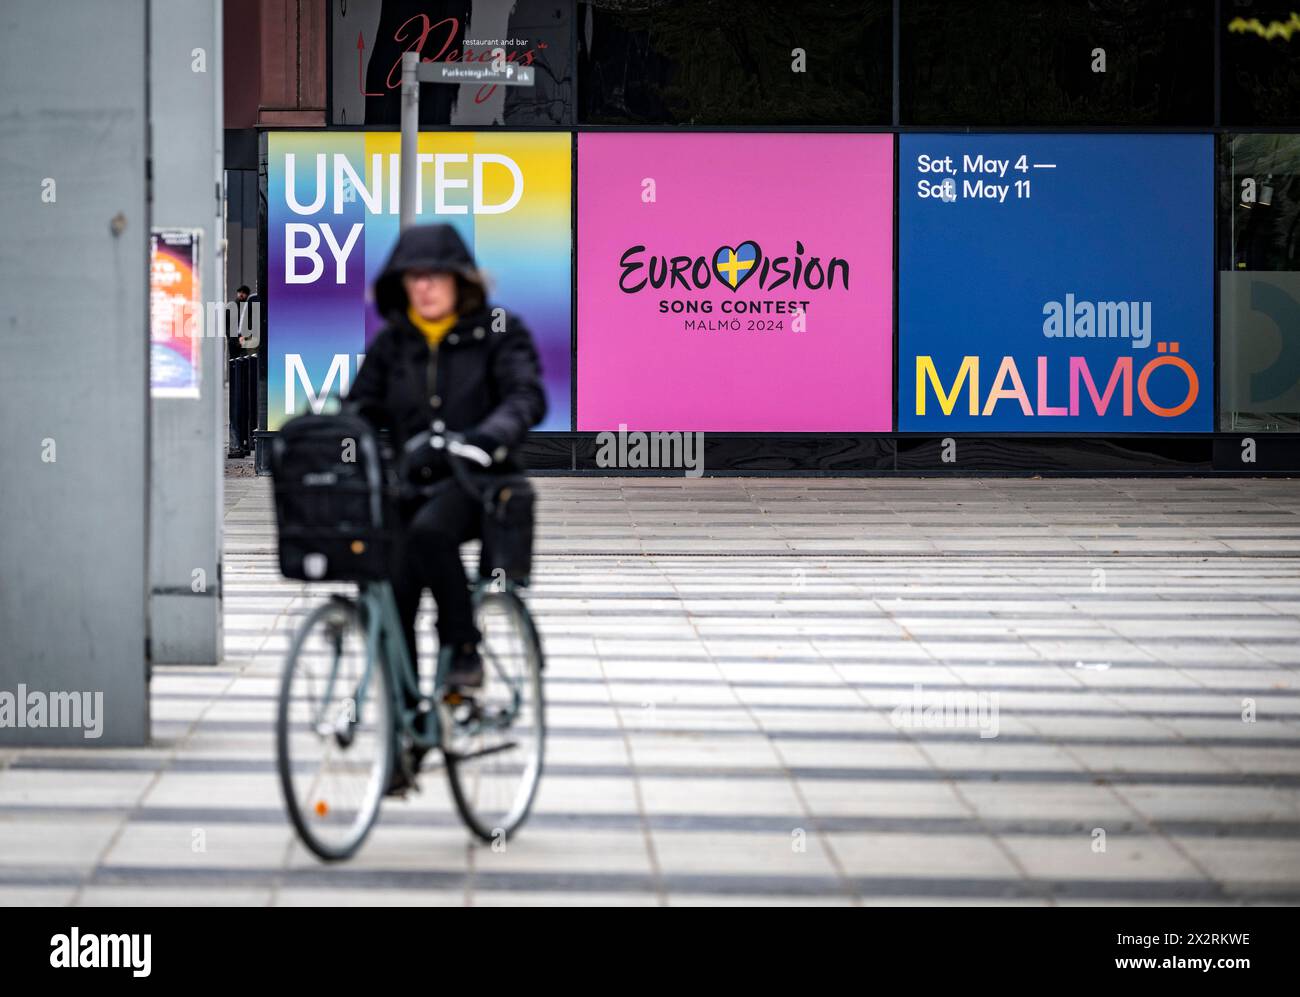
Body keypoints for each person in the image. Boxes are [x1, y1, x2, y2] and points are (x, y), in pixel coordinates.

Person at [344, 224, 545, 787]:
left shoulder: (499, 332)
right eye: (412, 277)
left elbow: (526, 395)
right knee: (392, 597)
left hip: (477, 482)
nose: (424, 287)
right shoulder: (395, 343)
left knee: (432, 534)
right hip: (412, 484)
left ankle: (464, 648)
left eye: (435, 276)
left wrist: (487, 438)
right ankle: (407, 741)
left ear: (462, 282)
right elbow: (363, 407)